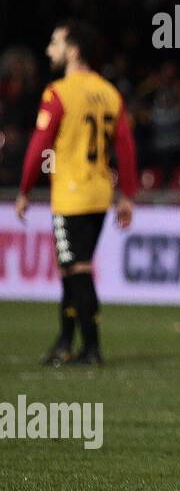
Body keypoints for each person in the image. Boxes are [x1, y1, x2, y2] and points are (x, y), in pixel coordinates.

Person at [14, 21, 138, 366]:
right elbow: (125, 148)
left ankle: (92, 348)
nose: (48, 50)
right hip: (99, 193)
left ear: (73, 50)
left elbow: (39, 146)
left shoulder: (58, 93)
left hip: (71, 194)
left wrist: (24, 190)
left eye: (55, 43)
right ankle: (65, 342)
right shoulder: (110, 93)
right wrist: (127, 194)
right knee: (70, 269)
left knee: (77, 268)